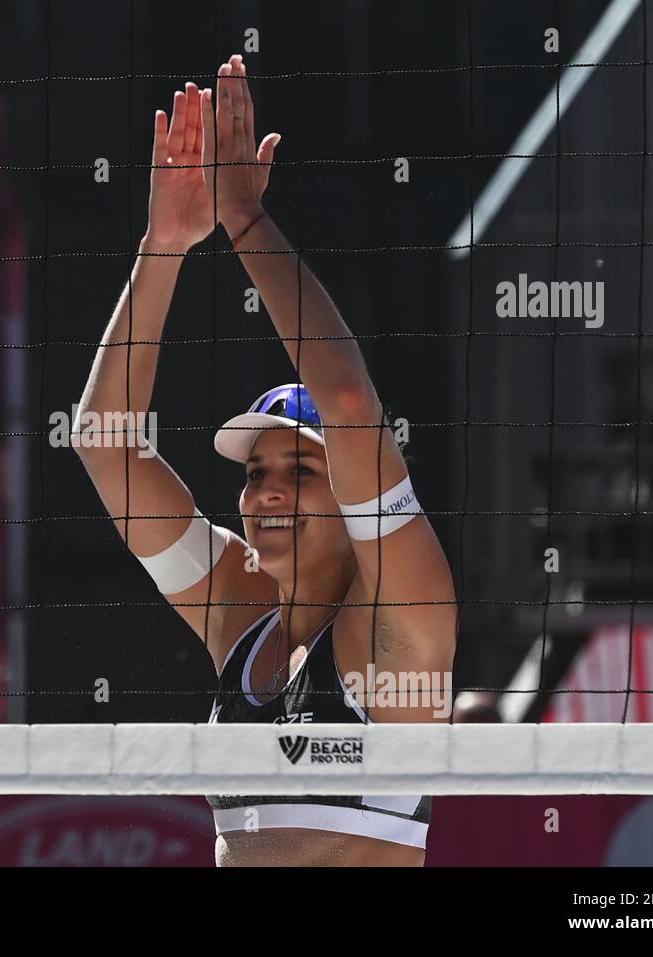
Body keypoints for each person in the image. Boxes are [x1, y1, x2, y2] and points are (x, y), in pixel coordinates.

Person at [73, 57, 457, 866]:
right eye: (254, 473)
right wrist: (166, 243)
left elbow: (350, 404)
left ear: (350, 493)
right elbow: (104, 442)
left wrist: (244, 219)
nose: (267, 491)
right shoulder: (240, 613)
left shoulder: (396, 618)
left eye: (301, 470)